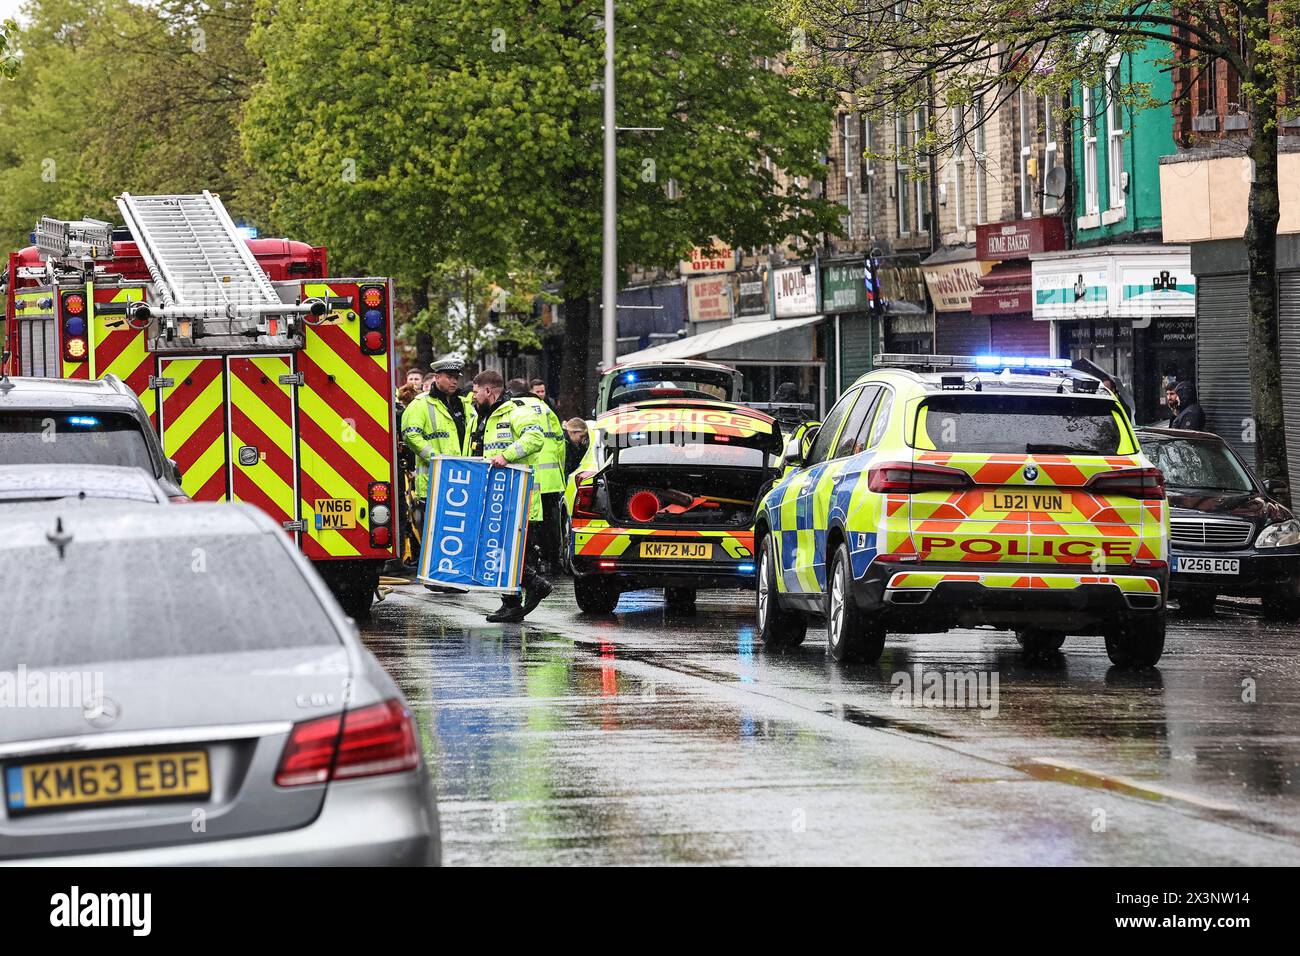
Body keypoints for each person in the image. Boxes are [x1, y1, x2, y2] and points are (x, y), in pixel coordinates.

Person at [473, 370, 553, 622]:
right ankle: (512, 601)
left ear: (488, 391)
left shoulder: (516, 411)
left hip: (519, 497)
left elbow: (535, 438)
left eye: (476, 392)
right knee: (501, 549)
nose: (473, 397)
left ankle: (531, 586)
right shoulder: (485, 417)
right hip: (498, 497)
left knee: (512, 551)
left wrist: (506, 456)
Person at [401, 356, 475, 555]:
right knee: (436, 533)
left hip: (462, 481)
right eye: (449, 377)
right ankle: (437, 576)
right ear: (437, 377)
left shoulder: (463, 404)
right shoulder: (420, 404)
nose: (454, 381)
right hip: (435, 480)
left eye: (456, 378)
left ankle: (452, 575)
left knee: (456, 533)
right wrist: (436, 459)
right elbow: (410, 435)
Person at [509, 378, 566, 572]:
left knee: (530, 520)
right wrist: (560, 470)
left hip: (529, 472)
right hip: (551, 477)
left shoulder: (513, 409)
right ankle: (553, 559)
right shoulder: (546, 408)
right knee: (551, 520)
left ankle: (532, 560)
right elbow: (560, 442)